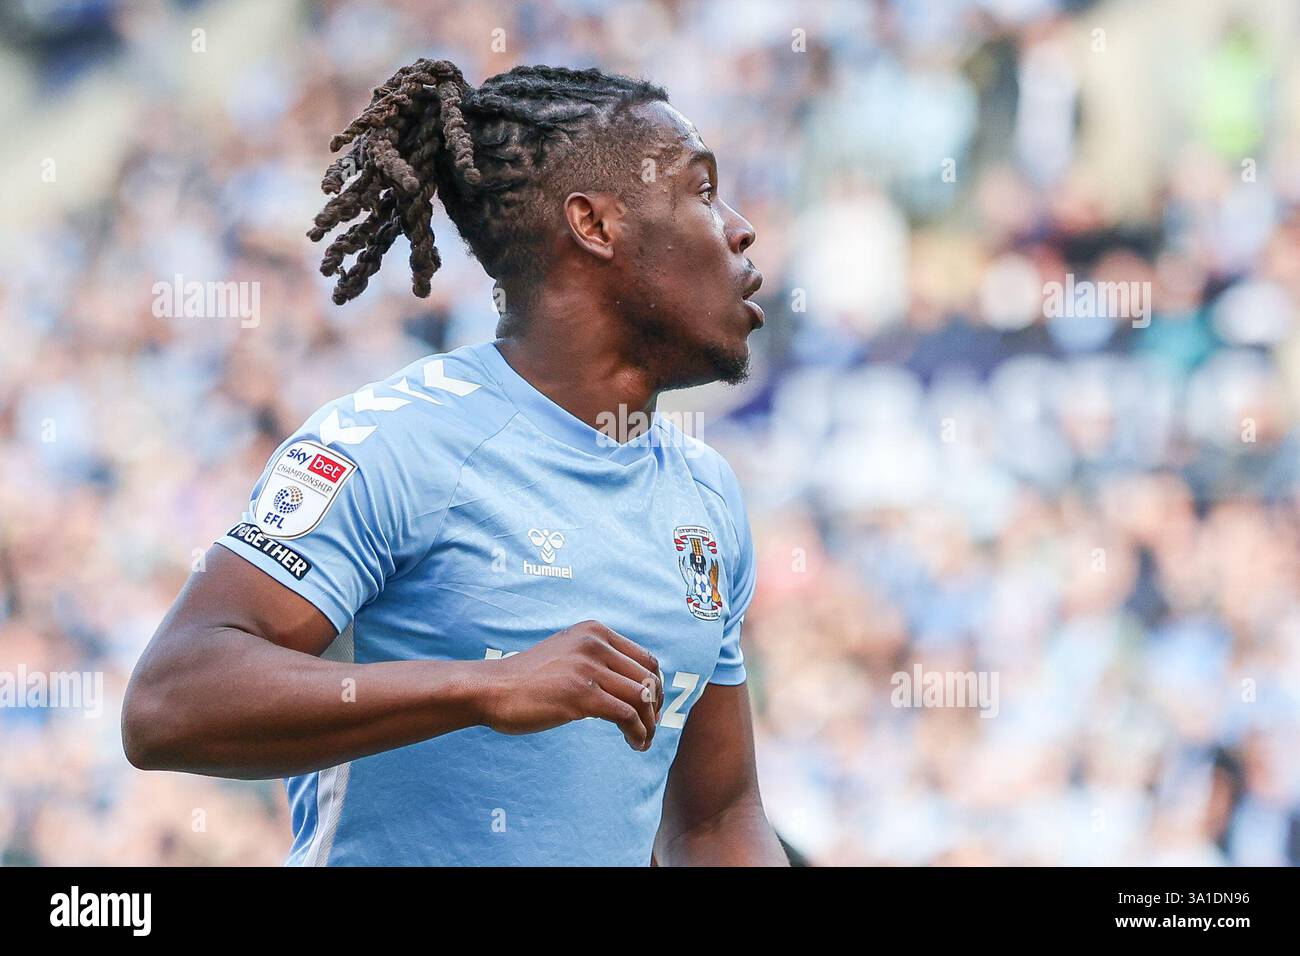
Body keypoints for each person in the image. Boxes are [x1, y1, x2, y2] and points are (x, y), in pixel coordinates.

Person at [123, 60, 784, 866]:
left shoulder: (704, 494)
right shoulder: (395, 444)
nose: (741, 227)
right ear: (595, 225)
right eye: (704, 191)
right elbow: (170, 701)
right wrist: (484, 687)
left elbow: (716, 819)